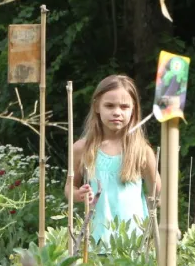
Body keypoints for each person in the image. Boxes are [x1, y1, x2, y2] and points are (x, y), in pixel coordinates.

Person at [67, 74, 159, 247]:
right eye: (109, 106)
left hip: (134, 242)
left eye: (124, 107)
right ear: (96, 106)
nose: (117, 112)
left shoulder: (142, 151)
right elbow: (69, 188)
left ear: (134, 109)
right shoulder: (82, 148)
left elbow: (157, 192)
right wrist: (78, 194)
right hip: (95, 238)